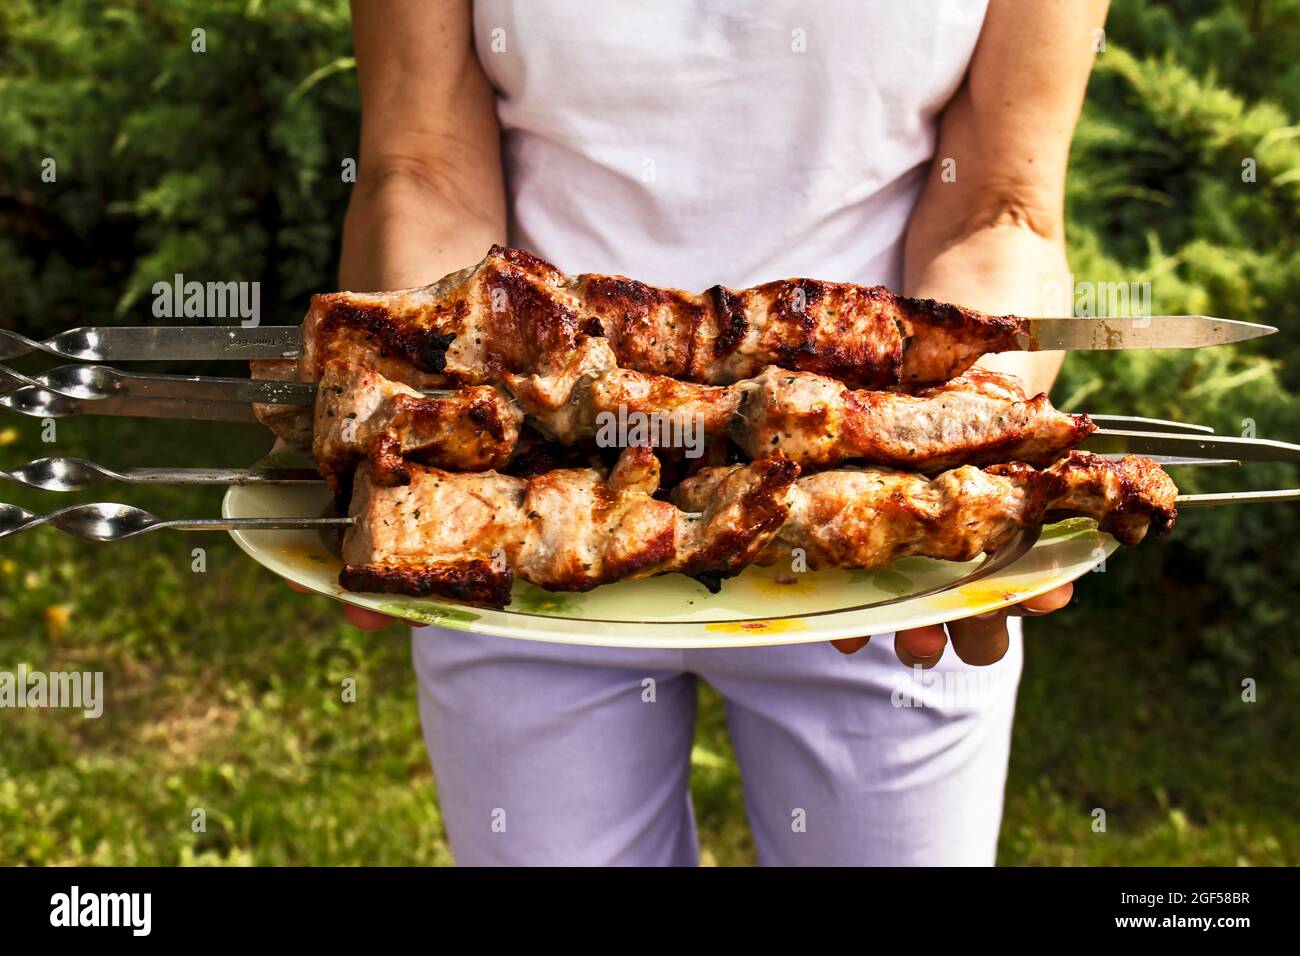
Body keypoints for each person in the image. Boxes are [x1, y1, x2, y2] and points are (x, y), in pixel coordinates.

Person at [320, 0, 1108, 865]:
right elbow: (422, 165)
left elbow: (1000, 205)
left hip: (876, 554)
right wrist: (414, 423)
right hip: (521, 521)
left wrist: (964, 437)